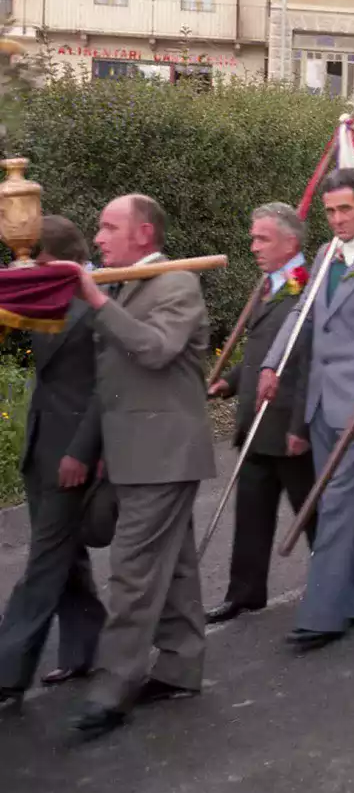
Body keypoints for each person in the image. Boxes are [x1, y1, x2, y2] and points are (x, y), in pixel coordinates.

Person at [69, 195, 216, 738]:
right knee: (171, 566)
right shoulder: (123, 283)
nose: (99, 238)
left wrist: (99, 304)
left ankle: (112, 687)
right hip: (138, 451)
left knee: (132, 573)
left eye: (109, 227)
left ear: (145, 234)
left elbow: (154, 350)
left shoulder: (177, 283)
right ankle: (179, 665)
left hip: (163, 454)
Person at [260, 168, 354, 653]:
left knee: (334, 504)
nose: (338, 219)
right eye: (329, 211)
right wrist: (272, 364)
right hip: (321, 400)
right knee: (343, 505)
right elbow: (303, 316)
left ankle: (321, 613)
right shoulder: (326, 256)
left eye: (346, 209)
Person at [0, 218, 106, 710]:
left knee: (44, 559)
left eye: (38, 264)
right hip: (41, 444)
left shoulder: (100, 300)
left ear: (60, 260)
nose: (32, 273)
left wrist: (83, 453)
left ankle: (7, 671)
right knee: (66, 556)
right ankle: (85, 646)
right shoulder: (47, 293)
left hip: (72, 453)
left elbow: (106, 389)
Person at [205, 203, 316, 625]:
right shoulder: (269, 285)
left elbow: (305, 361)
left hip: (289, 425)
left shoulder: (307, 288)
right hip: (255, 423)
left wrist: (300, 424)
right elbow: (262, 354)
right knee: (250, 515)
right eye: (253, 238)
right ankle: (245, 593)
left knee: (314, 517)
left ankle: (336, 588)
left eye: (262, 238)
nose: (253, 247)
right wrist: (231, 382)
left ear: (290, 242)